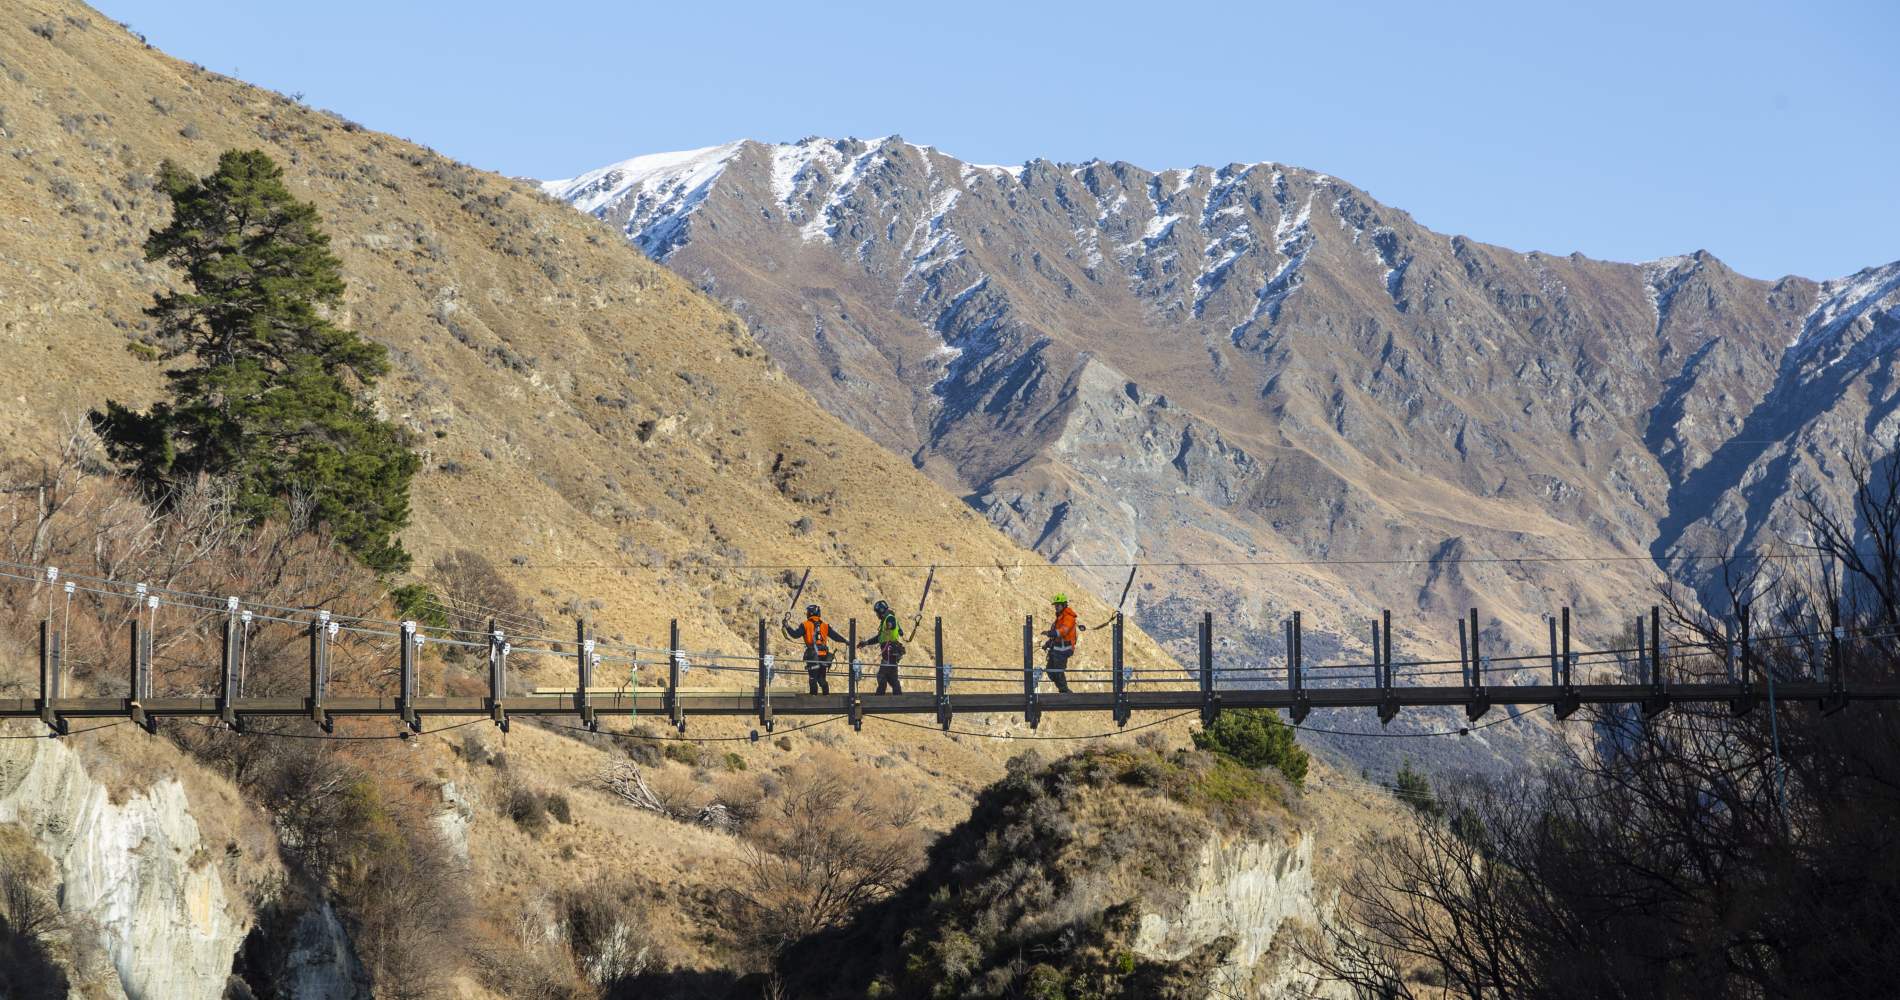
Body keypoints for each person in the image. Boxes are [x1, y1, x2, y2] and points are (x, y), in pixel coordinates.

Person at [782, 604, 838, 695]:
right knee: (822, 679)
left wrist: (787, 626)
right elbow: (836, 637)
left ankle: (813, 698)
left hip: (812, 655)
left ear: (810, 613)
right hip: (824, 656)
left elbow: (795, 635)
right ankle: (827, 697)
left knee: (813, 679)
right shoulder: (825, 626)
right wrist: (846, 641)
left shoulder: (805, 625)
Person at [857, 599, 905, 694]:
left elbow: (892, 624)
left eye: (877, 612)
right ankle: (898, 697)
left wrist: (890, 625)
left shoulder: (889, 618)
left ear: (881, 611)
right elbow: (879, 638)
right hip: (890, 653)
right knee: (892, 678)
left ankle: (880, 697)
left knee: (881, 676)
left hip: (889, 652)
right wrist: (866, 643)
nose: (876, 615)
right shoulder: (885, 621)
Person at [1042, 593, 1085, 694]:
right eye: (1055, 605)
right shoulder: (1060, 617)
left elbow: (1063, 631)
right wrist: (1048, 644)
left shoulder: (1068, 617)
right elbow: (1056, 636)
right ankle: (1063, 689)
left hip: (1064, 649)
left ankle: (1064, 691)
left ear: (1064, 605)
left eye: (1058, 605)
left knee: (1057, 671)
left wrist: (1049, 633)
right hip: (1057, 648)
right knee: (1050, 671)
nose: (1056, 607)